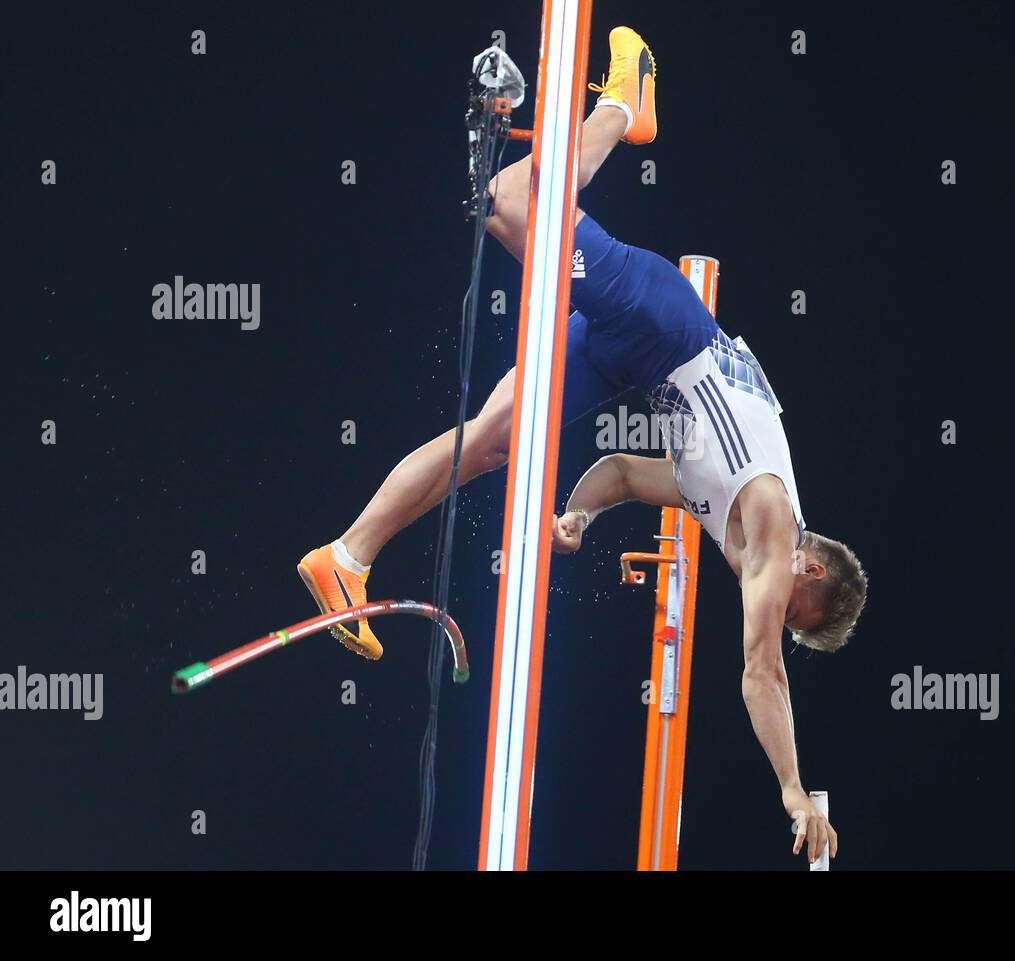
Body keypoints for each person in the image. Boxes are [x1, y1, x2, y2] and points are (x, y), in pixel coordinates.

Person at [297, 26, 865, 863]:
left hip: (633, 359)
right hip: (665, 321)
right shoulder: (775, 520)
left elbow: (628, 473)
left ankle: (345, 555)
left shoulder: (727, 514)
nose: (768, 606)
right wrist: (790, 788)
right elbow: (760, 672)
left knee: (491, 443)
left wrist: (576, 515)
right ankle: (620, 105)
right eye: (788, 608)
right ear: (808, 569)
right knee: (508, 201)